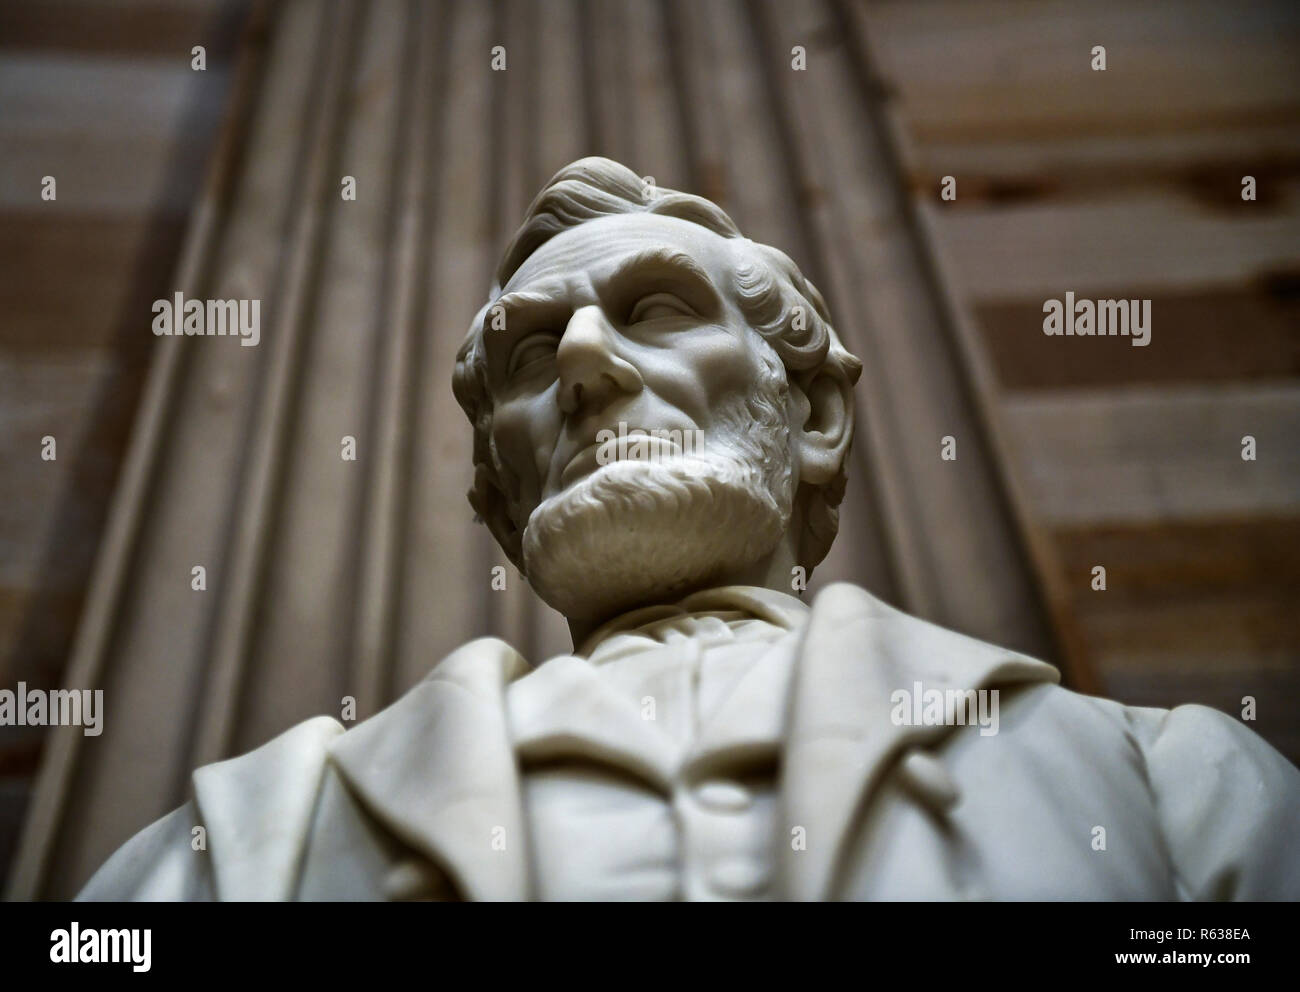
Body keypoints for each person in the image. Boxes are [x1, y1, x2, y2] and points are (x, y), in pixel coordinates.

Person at [79, 158, 1300, 900]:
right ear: (498, 494)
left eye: (654, 310)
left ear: (814, 410)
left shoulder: (1177, 790)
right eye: (526, 353)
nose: (586, 365)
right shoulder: (238, 840)